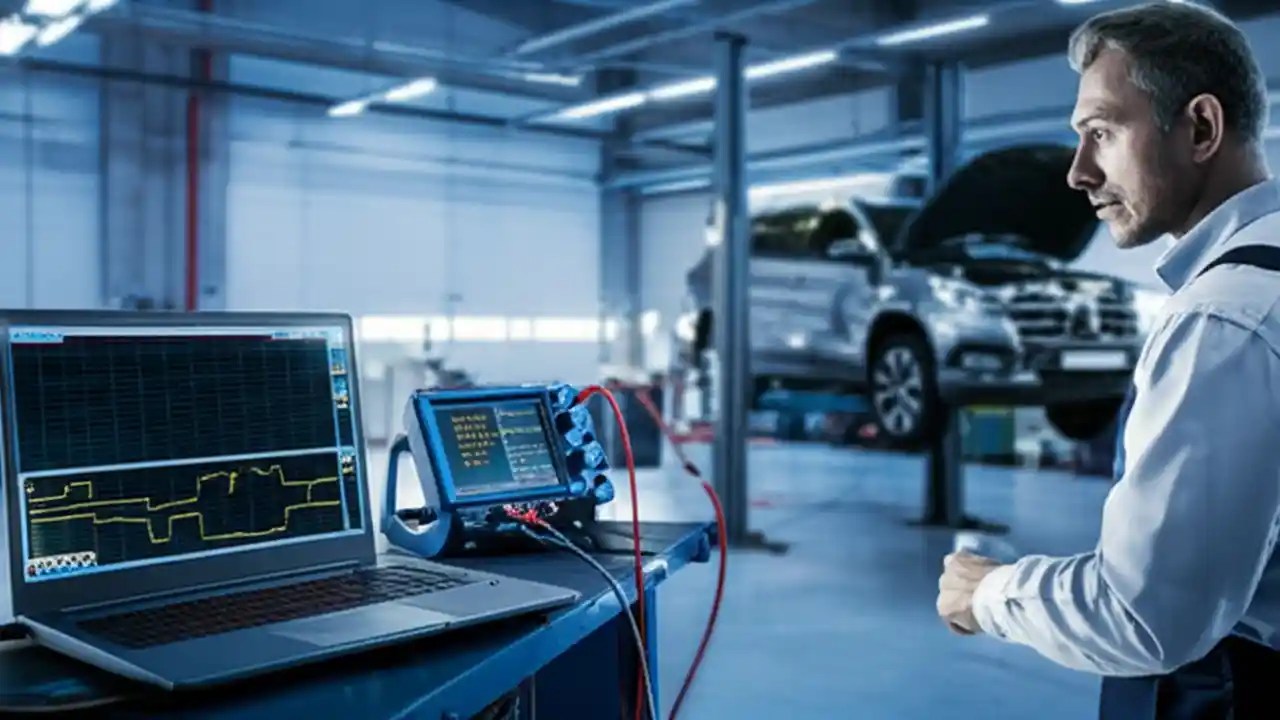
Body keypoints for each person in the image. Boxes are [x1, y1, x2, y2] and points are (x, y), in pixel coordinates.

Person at [935, 2, 1280, 717]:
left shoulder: (1224, 320)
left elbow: (1145, 617)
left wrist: (988, 593)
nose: (1078, 173)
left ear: (1203, 128)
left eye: (1102, 132)